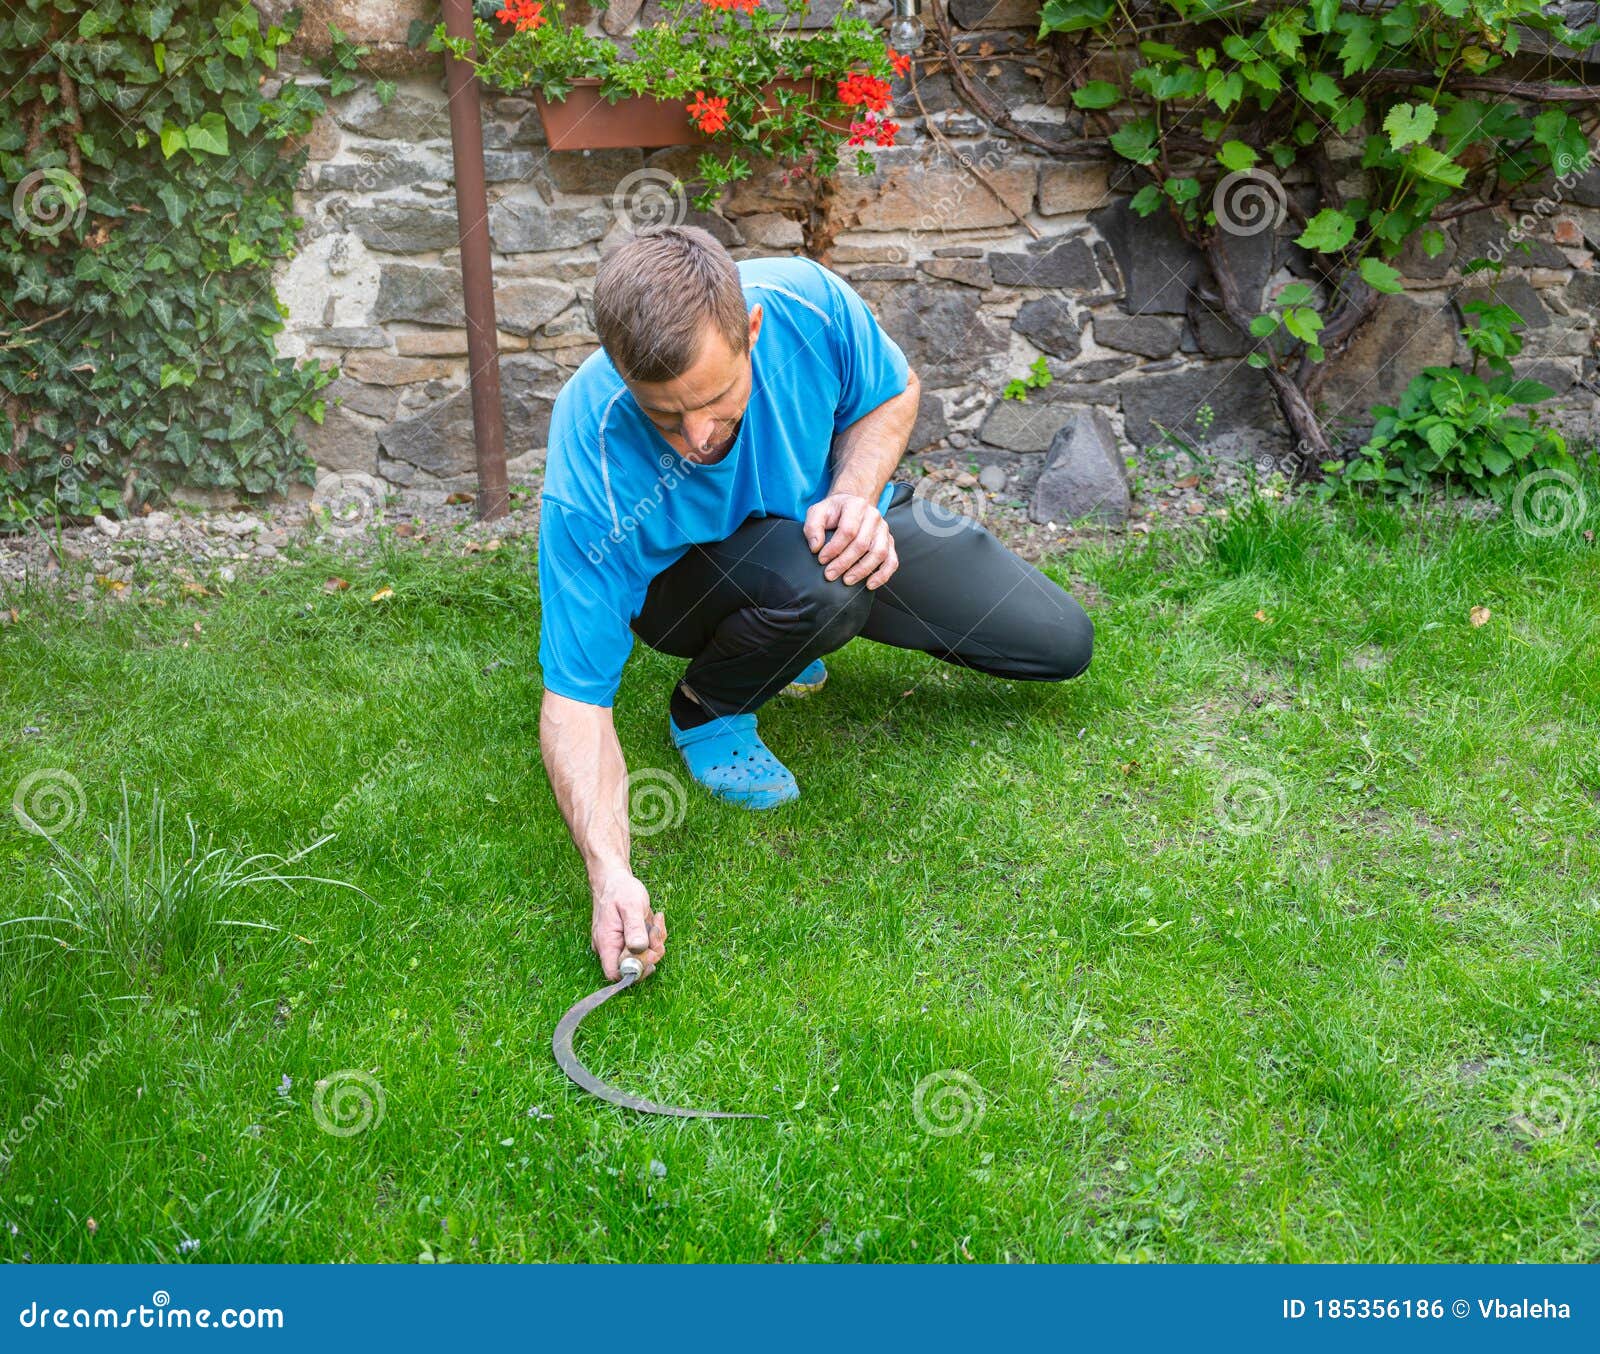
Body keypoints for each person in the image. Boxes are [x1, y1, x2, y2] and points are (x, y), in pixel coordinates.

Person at [537, 226, 1093, 981]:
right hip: (688, 590)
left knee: (1056, 640)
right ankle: (709, 708)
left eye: (711, 401)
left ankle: (788, 633)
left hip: (821, 526)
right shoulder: (588, 451)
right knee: (822, 590)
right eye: (665, 417)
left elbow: (893, 394)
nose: (696, 439)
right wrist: (609, 872)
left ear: (753, 333)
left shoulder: (807, 302)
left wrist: (856, 498)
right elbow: (576, 702)